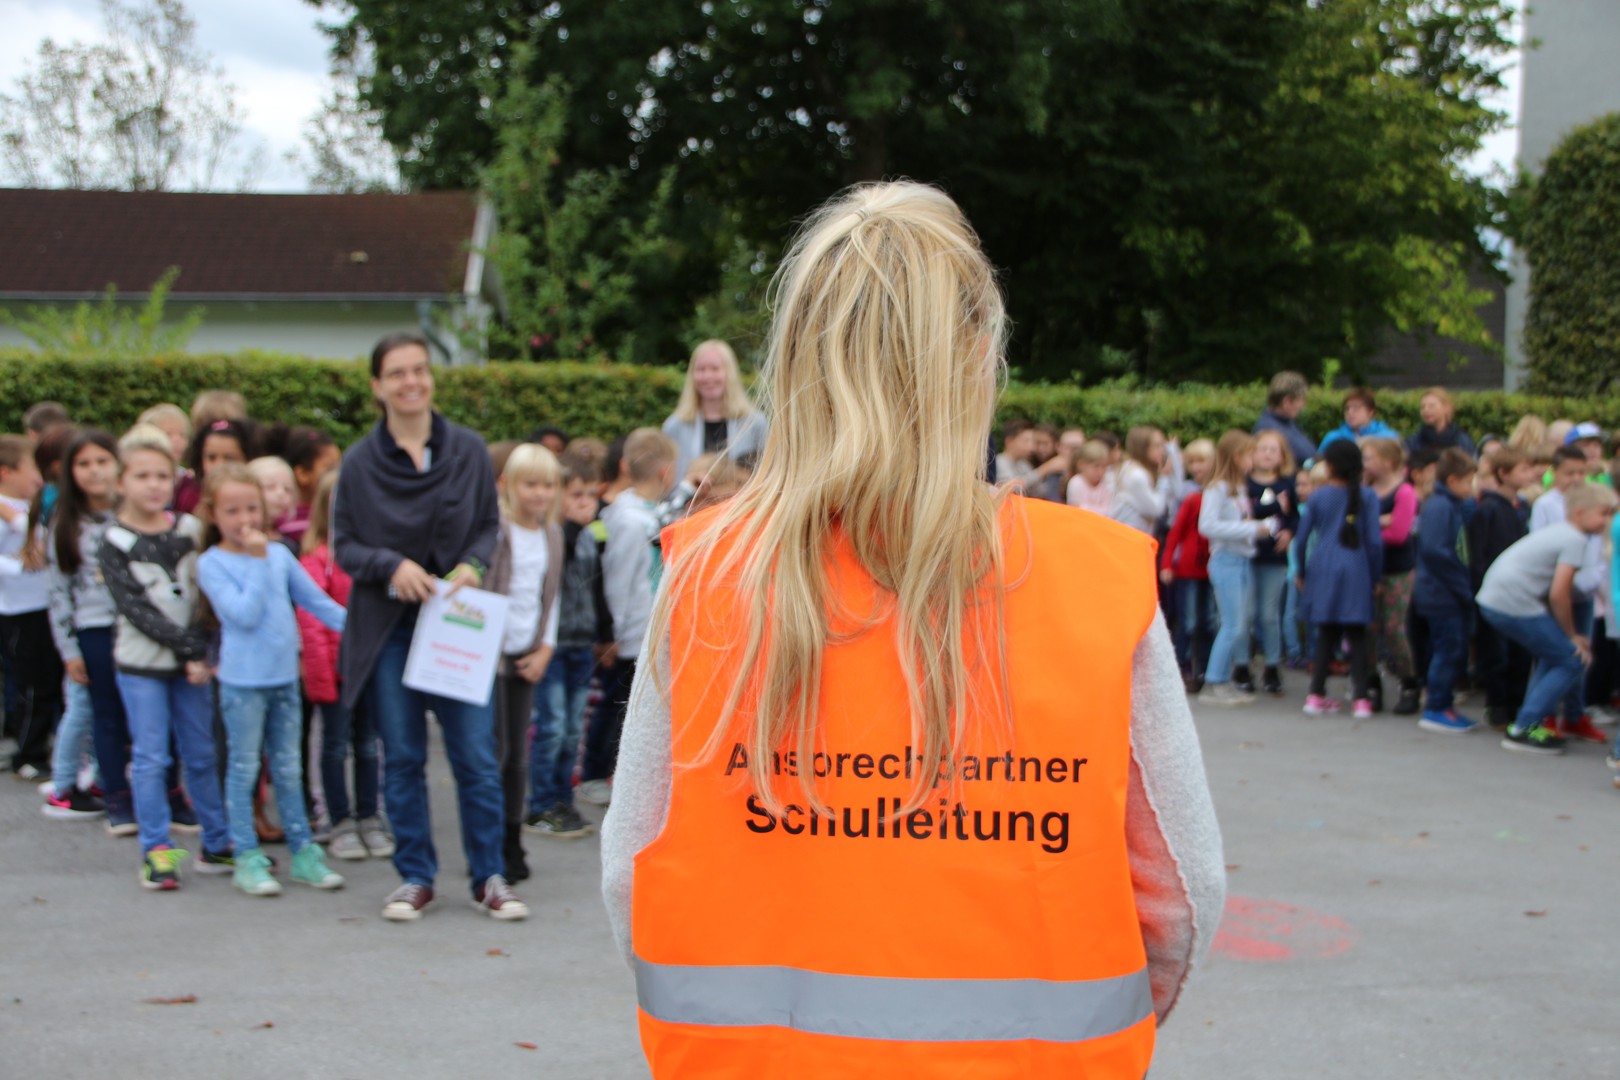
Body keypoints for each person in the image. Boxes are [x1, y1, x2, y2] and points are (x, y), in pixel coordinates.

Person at [600, 181, 1223, 1078]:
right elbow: (1182, 891)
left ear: (797, 356)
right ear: (978, 354)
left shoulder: (707, 574)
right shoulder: (1095, 578)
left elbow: (633, 870)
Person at [333, 331, 527, 922]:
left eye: (419, 369)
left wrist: (471, 566)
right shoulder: (359, 463)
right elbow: (345, 545)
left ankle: (489, 877)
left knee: (475, 756)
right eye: (398, 373)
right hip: (390, 627)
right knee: (403, 757)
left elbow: (488, 527)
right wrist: (390, 566)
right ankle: (415, 877)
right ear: (377, 386)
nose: (411, 381)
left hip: (456, 625)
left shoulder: (467, 450)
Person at [197, 464, 348, 897]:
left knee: (288, 767)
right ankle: (246, 855)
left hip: (284, 679)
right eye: (232, 511)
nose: (244, 520)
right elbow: (243, 615)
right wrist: (260, 560)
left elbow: (318, 603)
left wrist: (365, 630)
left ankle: (303, 852)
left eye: (252, 509)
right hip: (243, 684)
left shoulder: (280, 555)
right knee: (244, 768)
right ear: (212, 514)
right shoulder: (212, 564)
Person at [98, 426, 231, 890]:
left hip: (192, 666)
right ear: (121, 482)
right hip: (143, 668)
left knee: (201, 753)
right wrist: (191, 649)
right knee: (152, 758)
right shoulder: (113, 540)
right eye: (142, 476)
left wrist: (201, 650)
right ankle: (157, 851)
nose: (154, 485)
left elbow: (204, 594)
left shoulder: (190, 529)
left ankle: (217, 842)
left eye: (162, 475)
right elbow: (136, 609)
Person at [1478, 483, 1619, 755]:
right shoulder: (1575, 540)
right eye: (1603, 513)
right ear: (1580, 512)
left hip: (1497, 598)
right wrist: (1572, 635)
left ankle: (1530, 721)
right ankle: (1524, 726)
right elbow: (1559, 593)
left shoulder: (1562, 532)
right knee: (1571, 659)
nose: (1607, 521)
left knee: (1555, 655)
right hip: (1512, 602)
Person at [297, 468, 390, 862]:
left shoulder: (375, 558)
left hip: (369, 672)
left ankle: (369, 815)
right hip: (335, 676)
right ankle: (339, 820)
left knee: (368, 746)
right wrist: (321, 679)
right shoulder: (316, 560)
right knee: (334, 747)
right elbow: (312, 623)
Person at [582, 428, 676, 806]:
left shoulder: (650, 515)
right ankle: (593, 773)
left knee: (628, 710)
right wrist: (612, 634)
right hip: (628, 634)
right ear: (666, 471)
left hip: (643, 631)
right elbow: (617, 580)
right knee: (613, 706)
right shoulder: (629, 520)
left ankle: (612, 773)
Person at [486, 444, 564, 883]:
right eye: (530, 484)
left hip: (526, 654)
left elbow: (549, 597)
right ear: (508, 485)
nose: (540, 493)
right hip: (490, 657)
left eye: (548, 485)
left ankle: (512, 837)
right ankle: (490, 840)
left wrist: (545, 649)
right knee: (494, 753)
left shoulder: (551, 535)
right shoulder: (498, 532)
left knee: (518, 754)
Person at [526, 453, 609, 839]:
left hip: (582, 641)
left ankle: (563, 800)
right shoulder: (555, 535)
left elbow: (597, 587)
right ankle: (541, 804)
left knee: (573, 728)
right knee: (553, 726)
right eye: (577, 495)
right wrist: (576, 526)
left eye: (592, 495)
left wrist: (605, 633)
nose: (586, 503)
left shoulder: (590, 534)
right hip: (553, 645)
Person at [43, 431, 123, 822]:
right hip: (88, 631)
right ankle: (62, 786)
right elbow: (58, 593)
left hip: (129, 630)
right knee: (84, 706)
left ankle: (103, 780)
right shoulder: (66, 522)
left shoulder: (128, 512)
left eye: (102, 461)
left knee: (114, 710)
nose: (94, 471)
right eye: (84, 464)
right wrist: (69, 649)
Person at [1296, 439, 1383, 718]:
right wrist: (1376, 577)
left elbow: (1301, 539)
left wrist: (1300, 571)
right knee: (1356, 634)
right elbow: (1375, 542)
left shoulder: (1318, 497)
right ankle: (1361, 699)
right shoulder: (1368, 496)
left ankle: (1315, 694)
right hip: (1356, 567)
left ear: (1330, 466)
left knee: (1325, 632)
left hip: (1322, 566)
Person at [0, 433, 61, 780]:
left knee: (48, 681)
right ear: (6, 472)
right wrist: (21, 567)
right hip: (19, 611)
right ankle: (28, 753)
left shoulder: (23, 508)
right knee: (32, 686)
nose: (39, 478)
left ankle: (42, 746)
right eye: (32, 470)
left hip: (44, 605)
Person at [1198, 430, 1271, 707]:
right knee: (1231, 624)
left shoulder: (1235, 487)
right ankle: (1214, 681)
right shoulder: (1217, 487)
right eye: (1250, 454)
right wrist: (1250, 529)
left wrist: (1252, 529)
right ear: (1237, 456)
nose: (1254, 459)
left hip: (1239, 559)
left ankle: (1222, 679)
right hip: (1226, 560)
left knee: (1237, 623)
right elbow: (1207, 526)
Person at [1411, 449, 1479, 734]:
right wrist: (1462, 587)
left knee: (1450, 648)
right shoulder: (1440, 506)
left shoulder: (1448, 504)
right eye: (1468, 481)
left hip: (1443, 591)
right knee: (1448, 649)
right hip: (1441, 593)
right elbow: (1437, 551)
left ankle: (1443, 703)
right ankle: (1437, 707)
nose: (1471, 488)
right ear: (1452, 480)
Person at [1468, 447, 1536, 729]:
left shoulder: (1524, 508)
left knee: (1520, 653)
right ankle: (1496, 705)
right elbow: (1478, 554)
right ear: (1503, 473)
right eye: (1523, 469)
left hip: (1521, 591)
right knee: (1496, 652)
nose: (1530, 474)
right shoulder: (1489, 509)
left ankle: (1516, 705)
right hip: (1495, 593)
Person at [1362, 438, 1420, 714]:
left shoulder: (1404, 491)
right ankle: (1371, 682)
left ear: (1388, 461)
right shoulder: (1367, 489)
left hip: (1397, 569)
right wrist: (1382, 521)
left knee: (1394, 629)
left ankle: (1409, 682)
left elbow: (1398, 534)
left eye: (1369, 458)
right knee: (1368, 628)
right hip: (1369, 568)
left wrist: (1371, 525)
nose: (1364, 463)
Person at [662, 339, 768, 479]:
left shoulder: (754, 423)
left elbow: (766, 473)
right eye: (701, 370)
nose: (708, 376)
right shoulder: (675, 426)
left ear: (730, 373)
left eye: (715, 369)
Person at [1160, 439, 1216, 692]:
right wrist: (1167, 563)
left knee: (1208, 622)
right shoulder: (1191, 498)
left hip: (1209, 567)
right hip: (1188, 569)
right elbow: (1176, 532)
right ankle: (1181, 667)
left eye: (1201, 461)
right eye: (1191, 462)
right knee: (1188, 621)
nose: (1196, 467)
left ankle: (1204, 667)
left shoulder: (1216, 494)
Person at [1245, 430, 1297, 696]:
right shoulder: (1244, 484)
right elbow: (1248, 512)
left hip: (1274, 558)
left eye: (1273, 450)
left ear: (1282, 457)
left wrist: (1289, 532)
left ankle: (1272, 664)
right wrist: (1275, 505)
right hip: (1248, 556)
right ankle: (1242, 664)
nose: (1267, 454)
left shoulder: (1287, 484)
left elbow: (1295, 516)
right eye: (1262, 449)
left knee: (1269, 615)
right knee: (1245, 615)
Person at [176, 417, 257, 515]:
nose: (219, 465)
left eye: (229, 458)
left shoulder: (256, 498)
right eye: (211, 458)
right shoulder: (189, 498)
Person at [1111, 426, 1171, 535]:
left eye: (1162, 445)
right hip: (1128, 536)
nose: (1162, 451)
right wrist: (1164, 478)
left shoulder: (1131, 467)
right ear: (1143, 448)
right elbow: (1156, 509)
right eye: (1157, 446)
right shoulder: (1136, 475)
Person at [1253, 370, 1317, 467]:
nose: (1302, 406)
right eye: (1301, 400)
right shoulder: (1268, 430)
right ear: (1286, 402)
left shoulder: (1288, 422)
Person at [1405, 387, 1477, 460]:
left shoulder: (1463, 442)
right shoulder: (1413, 443)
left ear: (1446, 408)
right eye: (1423, 407)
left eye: (1431, 406)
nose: (1426, 410)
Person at [1317, 387, 1398, 452]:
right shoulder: (1334, 438)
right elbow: (1317, 462)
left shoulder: (1388, 438)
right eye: (1347, 408)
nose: (1350, 412)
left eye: (1356, 408)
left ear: (1371, 412)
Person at [1066, 439, 1113, 515]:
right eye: (1096, 466)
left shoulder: (1107, 482)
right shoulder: (1076, 483)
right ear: (1082, 465)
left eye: (1104, 467)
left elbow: (1110, 509)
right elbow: (1077, 510)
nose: (1100, 471)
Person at [994, 419, 1040, 493]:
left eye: (1033, 442)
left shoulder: (1024, 464)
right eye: (1026, 441)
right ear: (1009, 441)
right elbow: (1012, 486)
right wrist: (1045, 469)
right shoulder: (999, 461)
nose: (1032, 447)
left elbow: (1038, 490)